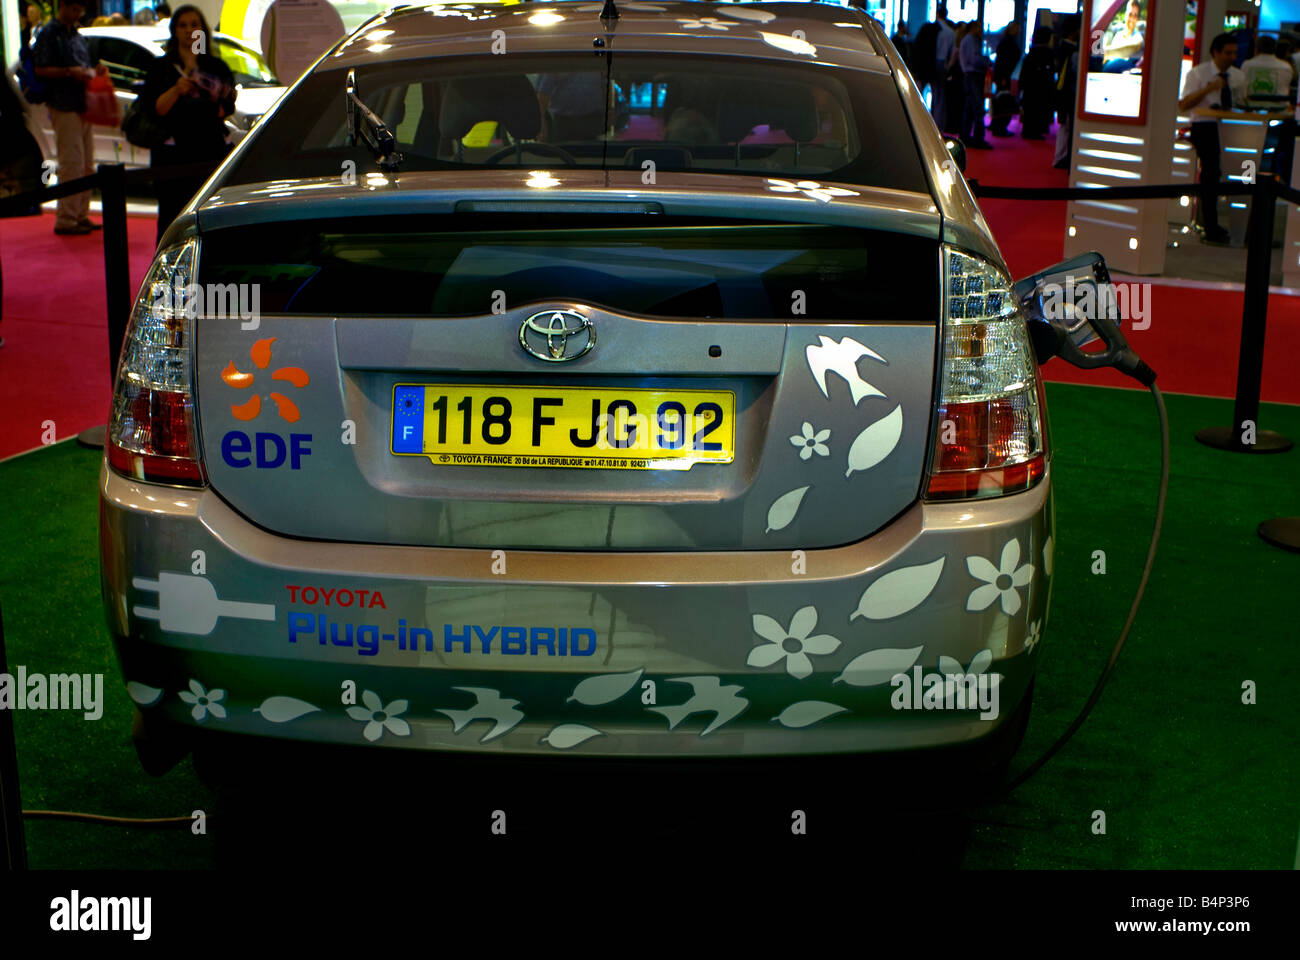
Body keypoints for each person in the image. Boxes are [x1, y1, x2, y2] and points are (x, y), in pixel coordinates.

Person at [140, 5, 235, 245]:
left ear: (202, 29)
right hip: (171, 156)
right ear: (174, 31)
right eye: (182, 25)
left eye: (194, 24)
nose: (189, 30)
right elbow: (155, 108)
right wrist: (176, 89)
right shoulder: (161, 67)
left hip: (208, 150)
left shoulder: (216, 67)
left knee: (208, 216)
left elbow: (227, 108)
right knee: (171, 220)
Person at [32, 0, 108, 235]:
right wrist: (68, 72)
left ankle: (80, 214)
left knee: (86, 164)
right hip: (63, 104)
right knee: (71, 163)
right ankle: (65, 218)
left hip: (82, 103)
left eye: (79, 9)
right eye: (74, 8)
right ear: (62, 6)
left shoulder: (75, 34)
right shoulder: (49, 34)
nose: (77, 13)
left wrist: (93, 72)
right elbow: (39, 68)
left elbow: (82, 65)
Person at [1179, 32, 1248, 243]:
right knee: (1211, 174)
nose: (1232, 57)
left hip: (1233, 128)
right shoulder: (1199, 74)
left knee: (1240, 172)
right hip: (1205, 127)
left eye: (1234, 53)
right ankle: (1210, 226)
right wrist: (1209, 88)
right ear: (1216, 52)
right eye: (1228, 52)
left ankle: (1241, 227)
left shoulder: (1238, 76)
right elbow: (1184, 105)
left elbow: (1244, 103)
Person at [1019, 26, 1057, 139]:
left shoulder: (1031, 53)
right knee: (1039, 108)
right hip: (1042, 87)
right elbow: (1052, 70)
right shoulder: (1048, 54)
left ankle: (1028, 130)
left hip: (1030, 87)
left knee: (1030, 109)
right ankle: (1036, 131)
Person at [1053, 14, 1080, 170]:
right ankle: (1060, 157)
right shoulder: (1071, 49)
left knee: (1065, 126)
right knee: (1065, 126)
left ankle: (1061, 156)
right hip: (1067, 91)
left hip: (1063, 90)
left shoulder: (1062, 46)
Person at [959, 20, 992, 148]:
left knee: (969, 107)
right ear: (974, 27)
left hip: (970, 75)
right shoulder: (971, 40)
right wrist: (986, 63)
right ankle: (978, 139)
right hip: (973, 75)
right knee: (977, 107)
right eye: (979, 27)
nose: (981, 30)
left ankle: (966, 137)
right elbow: (974, 59)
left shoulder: (967, 39)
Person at [990, 20, 1022, 136]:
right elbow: (1003, 62)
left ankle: (997, 125)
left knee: (1001, 100)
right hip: (1005, 76)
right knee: (1004, 101)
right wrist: (1003, 77)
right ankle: (999, 127)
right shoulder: (1008, 43)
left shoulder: (1007, 42)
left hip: (1005, 76)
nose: (1019, 31)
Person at [1241, 34, 1292, 105]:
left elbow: (1243, 90)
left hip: (1251, 108)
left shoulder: (1246, 65)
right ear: (1275, 49)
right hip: (1280, 109)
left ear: (1256, 49)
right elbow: (1287, 90)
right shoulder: (1286, 67)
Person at [1102, 0, 1145, 73]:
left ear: (1137, 19)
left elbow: (1136, 46)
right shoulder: (1118, 35)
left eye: (1135, 16)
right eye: (1130, 14)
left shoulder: (1137, 37)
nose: (1132, 19)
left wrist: (1108, 51)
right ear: (1125, 15)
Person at [931, 3, 955, 128]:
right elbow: (951, 52)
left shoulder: (932, 28)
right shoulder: (950, 32)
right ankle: (938, 125)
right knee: (940, 96)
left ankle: (931, 122)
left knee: (934, 94)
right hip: (942, 63)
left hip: (932, 62)